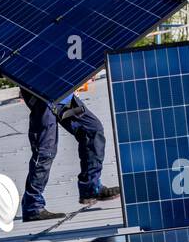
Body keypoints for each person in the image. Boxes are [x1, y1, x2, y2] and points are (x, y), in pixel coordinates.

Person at [21, 90, 120, 222]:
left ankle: (91, 186)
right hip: (41, 97)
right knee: (45, 152)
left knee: (92, 130)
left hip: (63, 94)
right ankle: (32, 206)